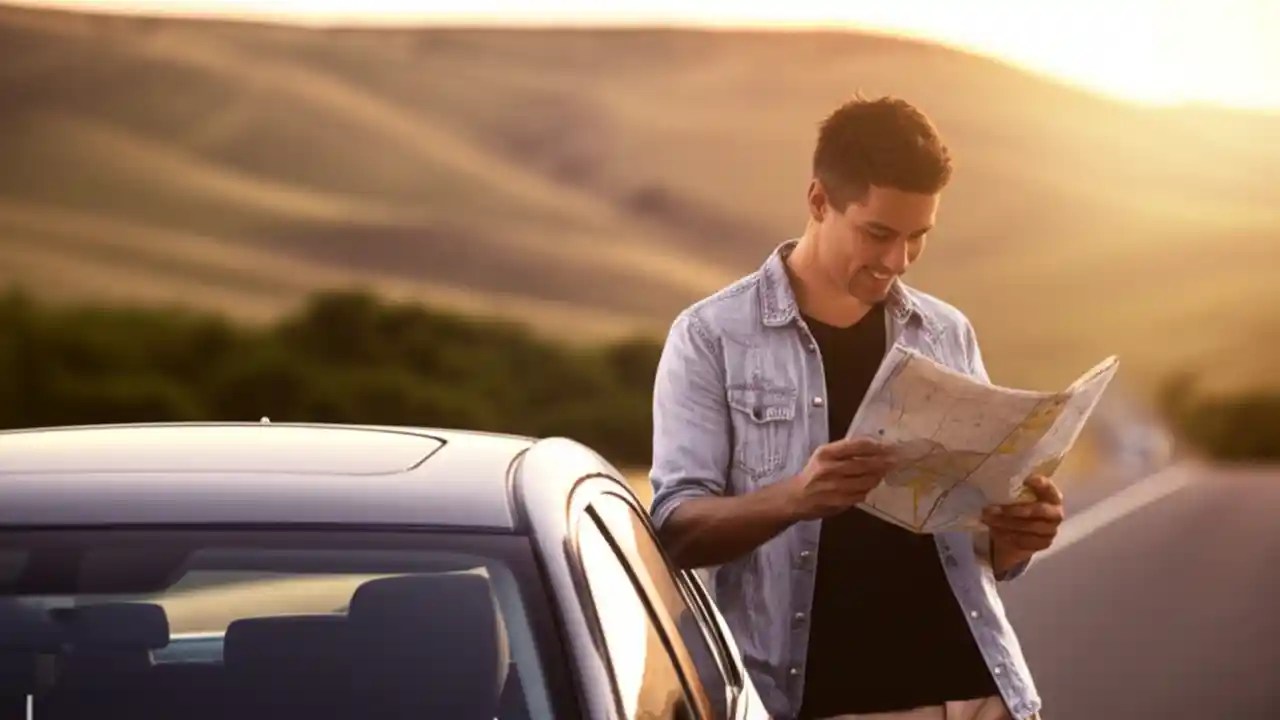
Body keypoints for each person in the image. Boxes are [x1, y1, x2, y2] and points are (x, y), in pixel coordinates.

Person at [648, 96, 1063, 720]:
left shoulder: (947, 332)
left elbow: (980, 544)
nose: (896, 261)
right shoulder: (711, 336)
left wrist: (1018, 537)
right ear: (819, 201)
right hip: (809, 701)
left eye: (917, 237)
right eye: (878, 234)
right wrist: (796, 497)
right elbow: (676, 530)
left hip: (975, 695)